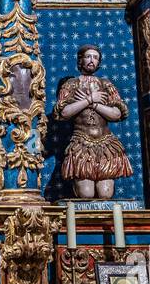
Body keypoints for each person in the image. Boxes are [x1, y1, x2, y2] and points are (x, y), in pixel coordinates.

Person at [53, 43, 132, 200]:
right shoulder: (71, 84)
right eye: (88, 57)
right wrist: (89, 99)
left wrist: (94, 104)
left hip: (106, 144)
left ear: (99, 62)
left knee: (105, 193)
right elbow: (63, 113)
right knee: (86, 194)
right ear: (80, 60)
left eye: (95, 58)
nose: (91, 60)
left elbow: (117, 114)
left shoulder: (106, 84)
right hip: (81, 144)